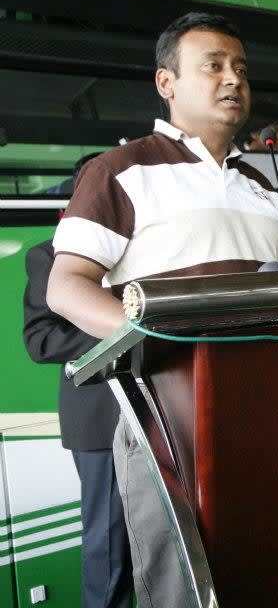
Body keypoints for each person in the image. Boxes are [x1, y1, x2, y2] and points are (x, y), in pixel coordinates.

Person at [46, 12, 278, 607]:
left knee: (255, 566)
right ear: (167, 83)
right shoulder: (120, 171)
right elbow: (66, 287)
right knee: (171, 581)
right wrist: (164, 344)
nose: (233, 79)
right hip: (161, 415)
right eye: (213, 66)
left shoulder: (261, 187)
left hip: (253, 405)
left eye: (241, 68)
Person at [23, 239, 133, 608]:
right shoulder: (48, 255)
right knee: (109, 553)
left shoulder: (147, 244)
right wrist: (118, 324)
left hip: (159, 411)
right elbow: (40, 341)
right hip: (100, 422)